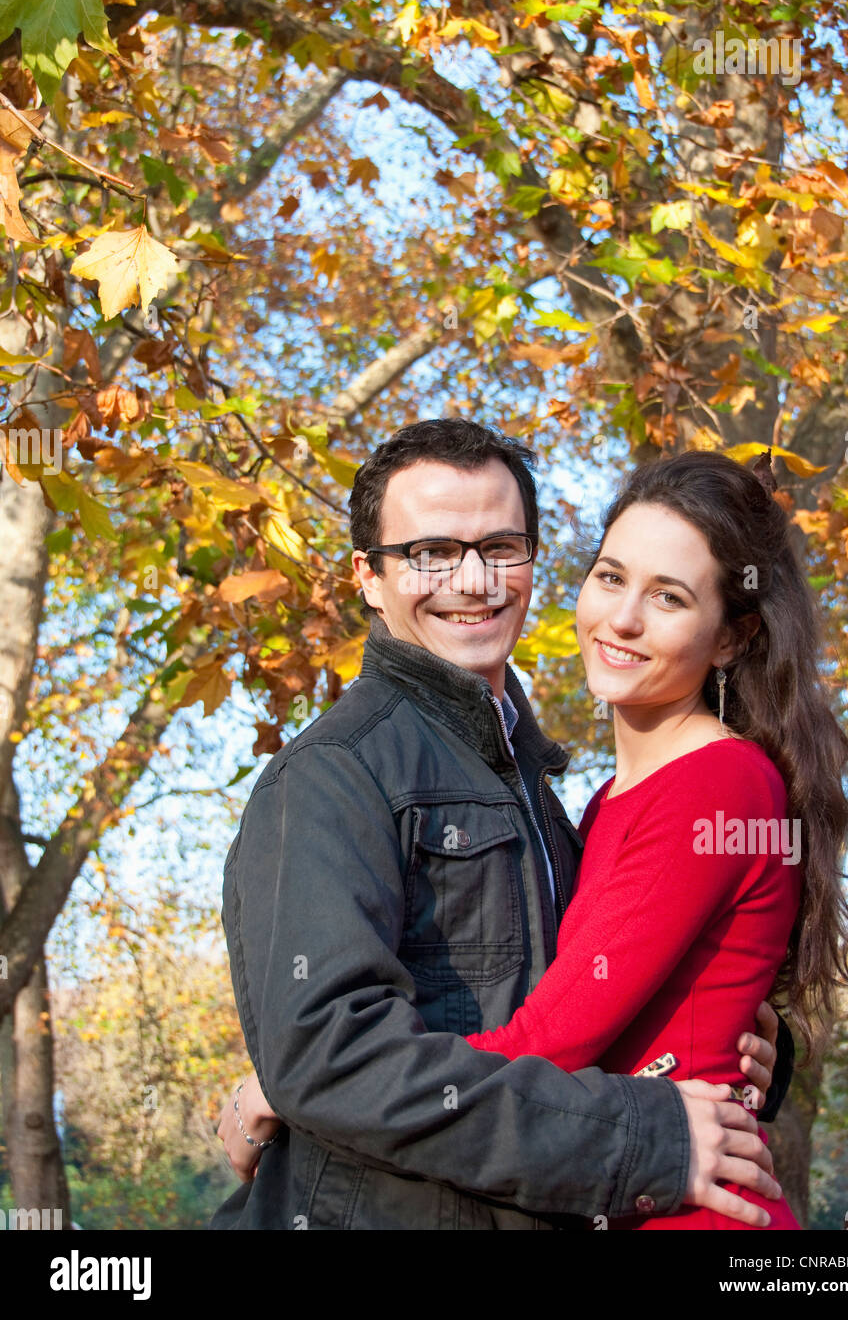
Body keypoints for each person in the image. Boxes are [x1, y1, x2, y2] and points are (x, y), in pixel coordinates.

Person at [210, 420, 789, 1232]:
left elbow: (586, 1002)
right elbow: (334, 1058)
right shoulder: (333, 775)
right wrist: (297, 1076)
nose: (473, 580)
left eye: (502, 547)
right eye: (430, 552)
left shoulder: (537, 788)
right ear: (368, 578)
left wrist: (741, 1041)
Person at [461, 450, 848, 1227]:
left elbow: (546, 1043)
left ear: (730, 639)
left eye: (669, 598)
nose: (622, 620)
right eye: (610, 577)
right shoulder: (608, 800)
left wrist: (316, 1085)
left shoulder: (718, 784)